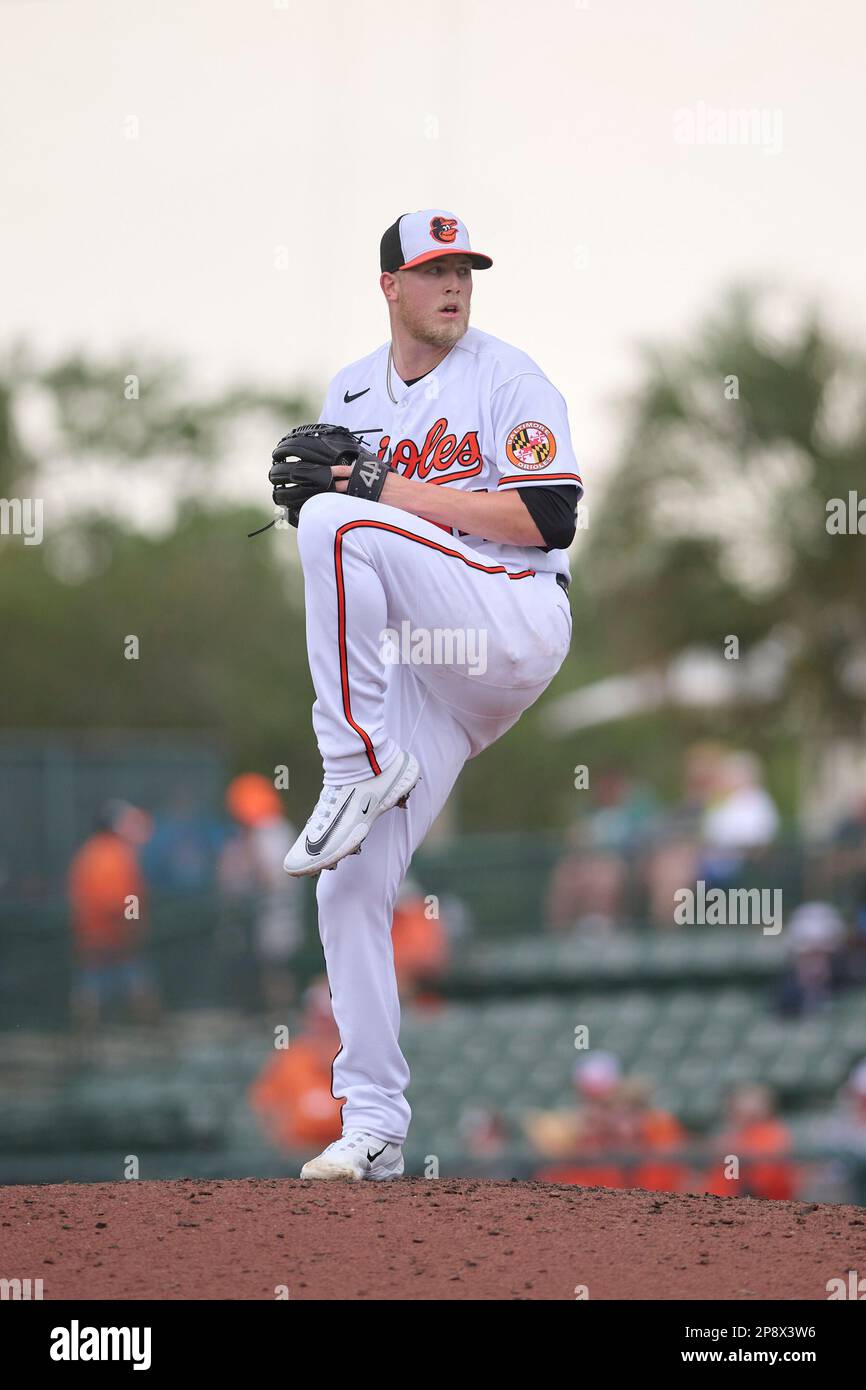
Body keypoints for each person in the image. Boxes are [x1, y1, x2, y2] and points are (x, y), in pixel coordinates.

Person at [272, 209, 581, 1180]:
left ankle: (354, 762)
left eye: (464, 269)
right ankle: (372, 1127)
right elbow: (338, 528)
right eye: (433, 269)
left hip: (508, 616)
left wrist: (374, 492)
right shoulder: (351, 388)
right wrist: (325, 496)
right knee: (349, 885)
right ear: (390, 287)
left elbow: (550, 513)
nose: (454, 284)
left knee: (337, 516)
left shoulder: (506, 377)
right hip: (428, 677)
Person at [68, 800, 159, 1038]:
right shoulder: (118, 855)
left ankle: (85, 1043)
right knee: (138, 989)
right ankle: (150, 1040)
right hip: (118, 938)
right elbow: (126, 898)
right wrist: (133, 925)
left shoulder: (86, 853)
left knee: (89, 994)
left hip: (90, 937)